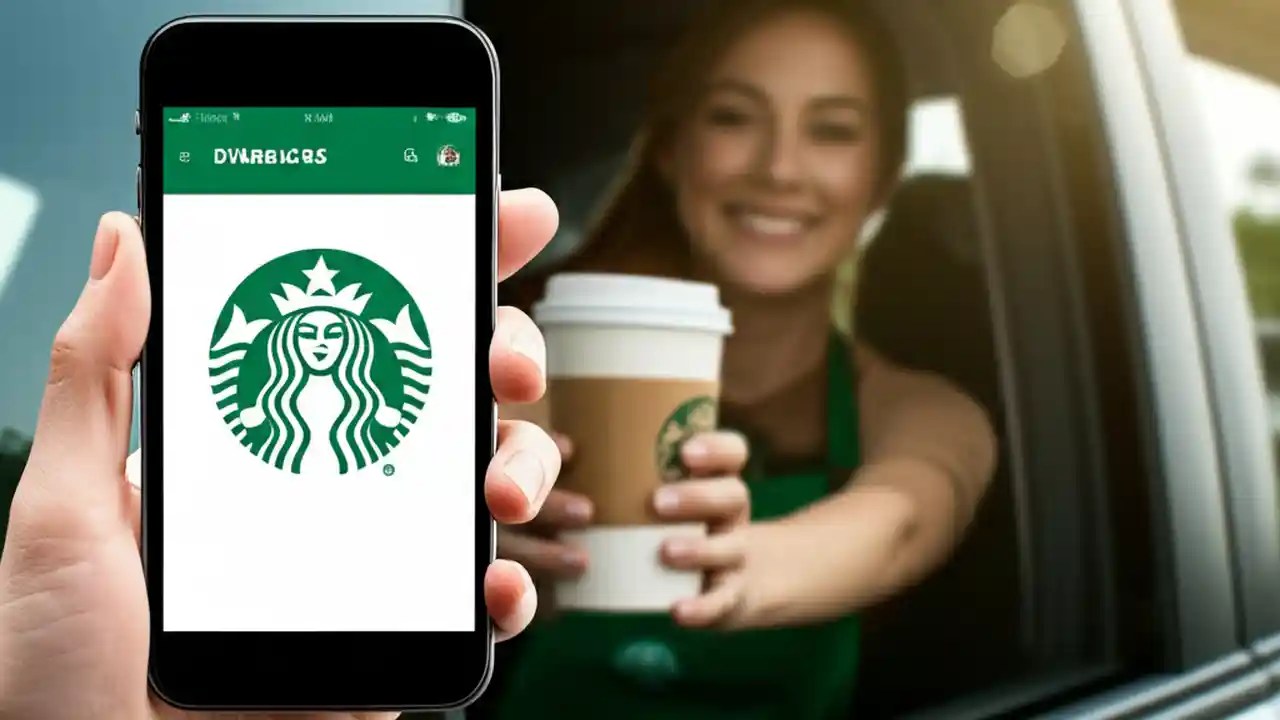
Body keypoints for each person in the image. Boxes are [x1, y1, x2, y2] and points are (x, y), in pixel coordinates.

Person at [487, 1, 998, 718]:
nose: (780, 169)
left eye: (832, 130)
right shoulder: (525, 352)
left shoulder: (924, 412)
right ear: (671, 149)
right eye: (734, 117)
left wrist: (725, 568)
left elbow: (903, 520)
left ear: (883, 176)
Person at [0, 189, 565, 719]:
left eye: (334, 334)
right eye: (306, 333)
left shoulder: (372, 416)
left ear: (356, 341)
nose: (320, 344)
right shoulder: (264, 417)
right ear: (285, 340)